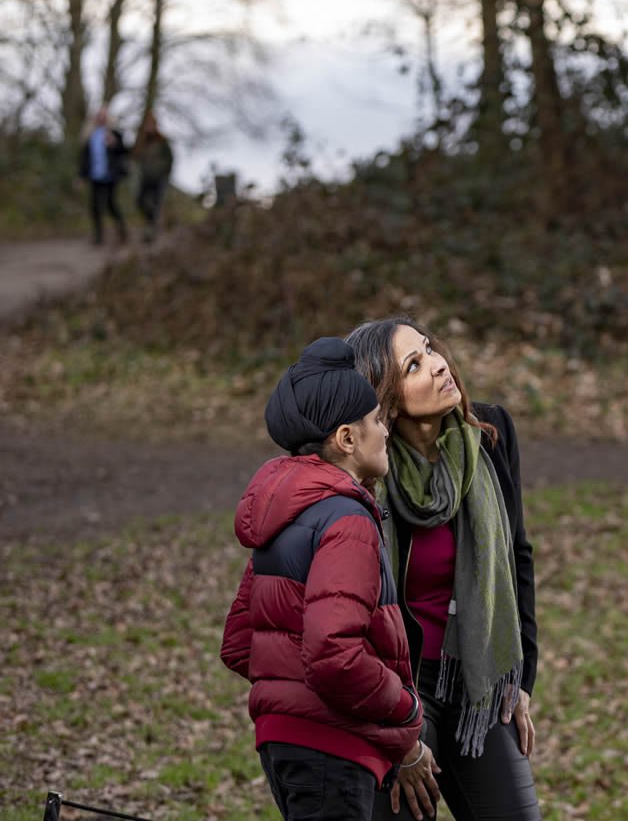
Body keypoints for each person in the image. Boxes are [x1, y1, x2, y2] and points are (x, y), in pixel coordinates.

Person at [221, 337, 427, 821]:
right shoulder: (345, 519)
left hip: (283, 744)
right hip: (331, 752)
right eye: (377, 421)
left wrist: (292, 694)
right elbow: (334, 654)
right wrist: (404, 709)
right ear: (347, 438)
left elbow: (239, 643)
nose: (385, 432)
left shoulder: (287, 510)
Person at [346, 317, 539, 821]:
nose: (438, 365)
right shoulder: (364, 474)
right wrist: (398, 737)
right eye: (414, 364)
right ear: (384, 398)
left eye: (430, 349)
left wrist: (520, 679)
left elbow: (517, 556)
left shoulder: (491, 437)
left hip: (476, 676)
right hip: (399, 687)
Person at [75, 107, 129, 245]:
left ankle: (122, 231)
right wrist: (81, 176)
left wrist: (114, 144)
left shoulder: (115, 134)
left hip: (111, 176)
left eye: (104, 116)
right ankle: (98, 237)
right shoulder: (90, 136)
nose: (101, 118)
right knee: (95, 206)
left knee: (111, 204)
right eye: (99, 116)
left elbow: (124, 152)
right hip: (95, 176)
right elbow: (85, 159)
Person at [132, 113, 174, 241]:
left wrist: (165, 173)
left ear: (155, 125)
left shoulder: (162, 141)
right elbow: (136, 156)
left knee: (156, 204)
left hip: (159, 179)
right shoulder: (142, 142)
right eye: (147, 125)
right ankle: (151, 223)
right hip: (146, 178)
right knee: (140, 201)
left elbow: (170, 159)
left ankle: (150, 231)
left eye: (151, 124)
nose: (149, 127)